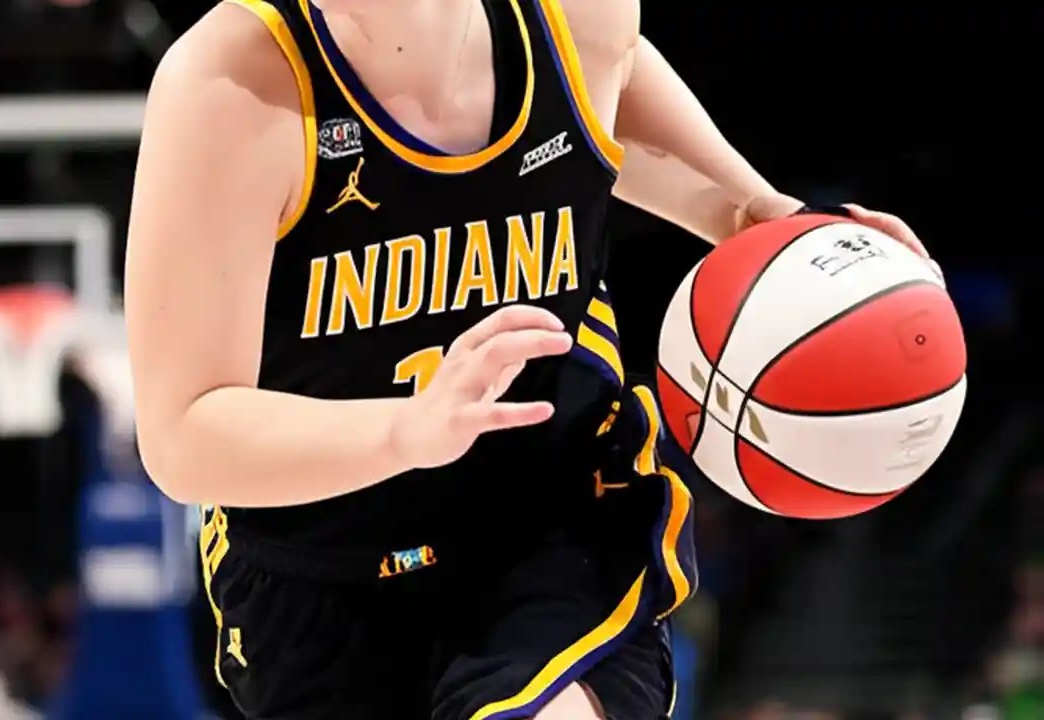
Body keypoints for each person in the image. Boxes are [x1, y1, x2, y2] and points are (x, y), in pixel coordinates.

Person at [125, 1, 932, 718]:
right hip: (321, 578)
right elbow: (183, 436)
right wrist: (404, 432)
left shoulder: (577, 15)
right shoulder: (230, 87)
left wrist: (755, 212)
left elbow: (606, 82)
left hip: (552, 516)